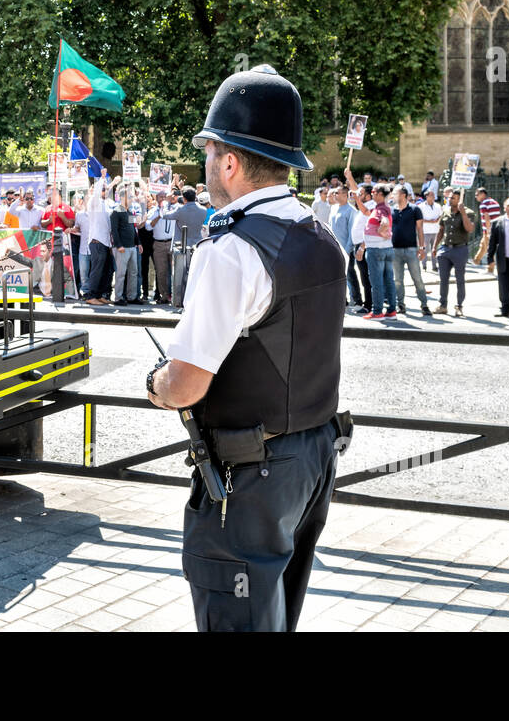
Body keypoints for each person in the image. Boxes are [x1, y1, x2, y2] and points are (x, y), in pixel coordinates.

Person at [148, 63, 345, 632]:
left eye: (209, 150)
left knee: (235, 617)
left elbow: (187, 382)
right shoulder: (320, 233)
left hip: (252, 470)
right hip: (313, 455)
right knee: (276, 614)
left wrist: (156, 383)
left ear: (229, 161)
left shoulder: (230, 250)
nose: (207, 162)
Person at [345, 170, 395, 319]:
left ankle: (377, 311)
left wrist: (382, 230)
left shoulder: (379, 208)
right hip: (381, 248)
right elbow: (366, 210)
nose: (372, 193)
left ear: (379, 194)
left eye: (373, 191)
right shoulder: (378, 207)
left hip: (376, 249)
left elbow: (384, 221)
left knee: (376, 281)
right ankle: (391, 310)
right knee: (386, 280)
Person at [432, 187, 474, 316]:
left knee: (459, 279)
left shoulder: (469, 212)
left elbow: (470, 229)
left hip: (460, 249)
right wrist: (435, 247)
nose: (449, 200)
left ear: (460, 199)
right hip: (445, 249)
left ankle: (459, 305)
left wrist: (463, 213)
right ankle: (442, 305)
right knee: (443, 279)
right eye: (449, 197)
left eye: (453, 198)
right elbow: (441, 230)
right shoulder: (445, 211)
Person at [388, 187, 431, 316]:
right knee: (398, 280)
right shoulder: (391, 210)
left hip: (412, 249)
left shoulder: (415, 209)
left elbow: (420, 229)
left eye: (395, 193)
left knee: (417, 278)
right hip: (395, 250)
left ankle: (424, 305)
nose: (393, 195)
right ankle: (400, 304)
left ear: (403, 195)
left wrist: (422, 248)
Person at [80, 177, 117, 305]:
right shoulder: (93, 202)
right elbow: (98, 191)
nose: (105, 191)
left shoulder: (105, 203)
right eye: (102, 189)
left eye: (105, 190)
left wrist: (112, 184)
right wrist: (103, 178)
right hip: (97, 241)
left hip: (106, 242)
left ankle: (100, 294)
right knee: (97, 270)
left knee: (106, 270)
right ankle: (91, 296)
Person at [109, 187, 142, 305]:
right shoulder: (116, 212)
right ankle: (118, 298)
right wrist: (118, 246)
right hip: (122, 248)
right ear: (123, 197)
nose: (132, 199)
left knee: (133, 272)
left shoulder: (128, 212)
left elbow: (133, 228)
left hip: (132, 247)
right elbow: (114, 231)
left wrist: (138, 243)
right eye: (130, 196)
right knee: (121, 273)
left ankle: (131, 297)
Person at [146, 191, 176, 303]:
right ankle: (164, 296)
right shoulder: (153, 211)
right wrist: (159, 215)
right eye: (161, 196)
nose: (163, 198)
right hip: (158, 244)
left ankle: (175, 296)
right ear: (156, 198)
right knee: (161, 271)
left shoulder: (173, 209)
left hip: (172, 242)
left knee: (174, 271)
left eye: (165, 196)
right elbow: (148, 227)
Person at [474, 187, 501, 267]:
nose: (476, 197)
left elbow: (487, 218)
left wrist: (489, 231)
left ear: (483, 194)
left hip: (488, 231)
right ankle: (476, 261)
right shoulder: (495, 202)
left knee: (489, 249)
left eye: (477, 195)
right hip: (497, 229)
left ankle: (490, 268)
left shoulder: (483, 204)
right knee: (483, 246)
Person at [418, 189, 441, 271]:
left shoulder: (438, 206)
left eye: (434, 195)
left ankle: (434, 266)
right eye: (431, 195)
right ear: (427, 196)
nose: (433, 197)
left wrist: (438, 219)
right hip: (425, 231)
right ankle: (424, 266)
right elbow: (419, 219)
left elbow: (441, 215)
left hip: (436, 230)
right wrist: (430, 221)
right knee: (425, 249)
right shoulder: (421, 206)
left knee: (434, 249)